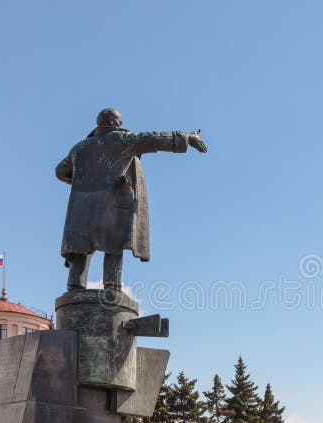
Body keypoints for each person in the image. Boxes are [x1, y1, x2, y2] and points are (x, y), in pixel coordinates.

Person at [55, 108, 208, 290]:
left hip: (81, 207)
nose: (121, 125)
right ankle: (112, 287)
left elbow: (60, 171)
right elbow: (153, 139)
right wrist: (187, 137)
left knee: (80, 246)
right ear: (112, 123)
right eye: (119, 122)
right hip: (111, 203)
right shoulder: (122, 140)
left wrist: (86, 181)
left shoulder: (79, 148)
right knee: (114, 243)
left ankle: (74, 287)